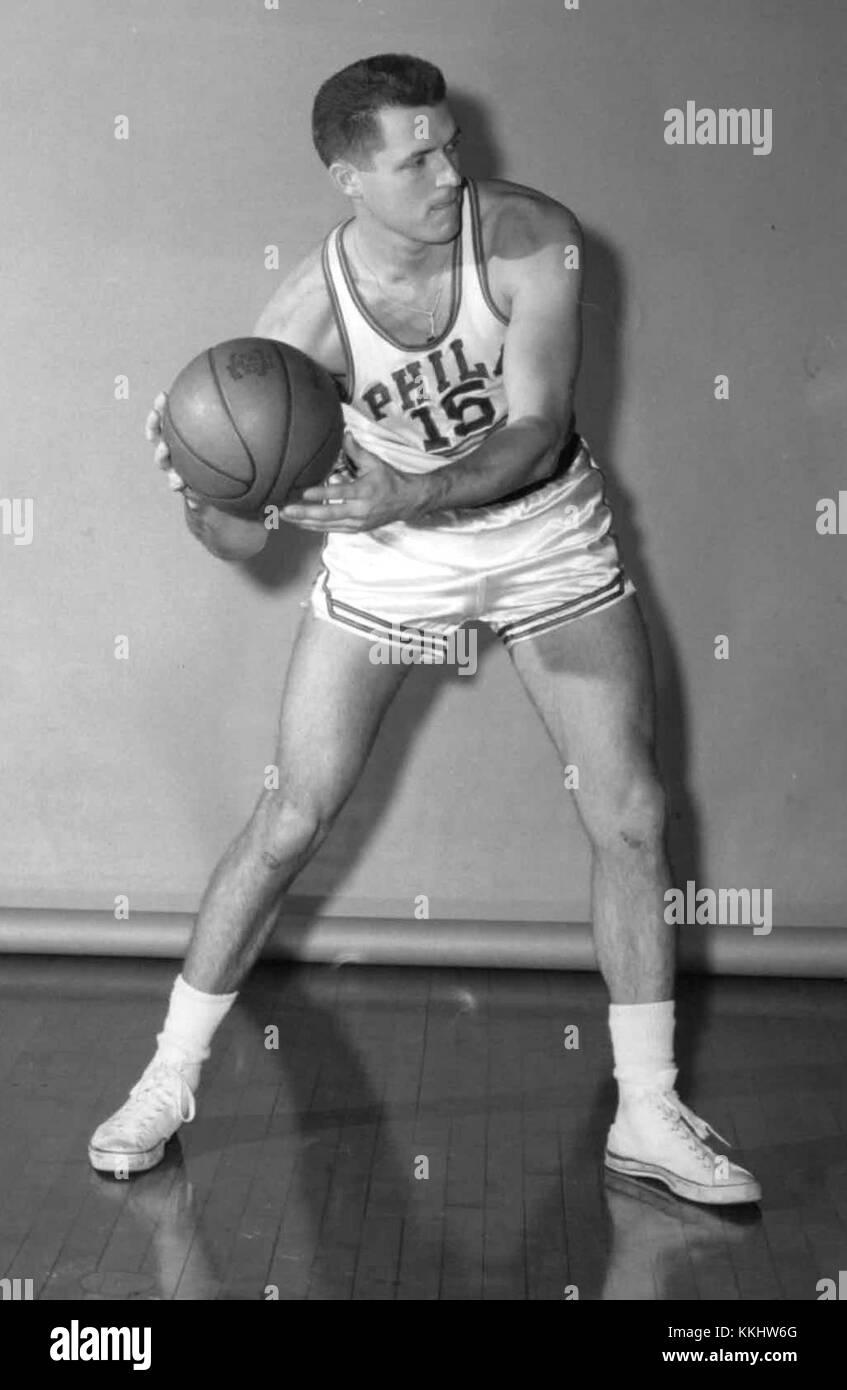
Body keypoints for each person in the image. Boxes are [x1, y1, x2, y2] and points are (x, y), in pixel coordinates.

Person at [89, 53, 760, 1207]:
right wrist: (207, 493)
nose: (452, 170)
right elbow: (247, 544)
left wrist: (409, 490)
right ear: (347, 175)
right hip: (393, 564)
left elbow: (539, 430)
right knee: (291, 816)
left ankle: (646, 1112)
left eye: (450, 143)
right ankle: (166, 1078)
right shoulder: (301, 321)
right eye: (417, 158)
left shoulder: (532, 238)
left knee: (634, 813)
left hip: (543, 536)